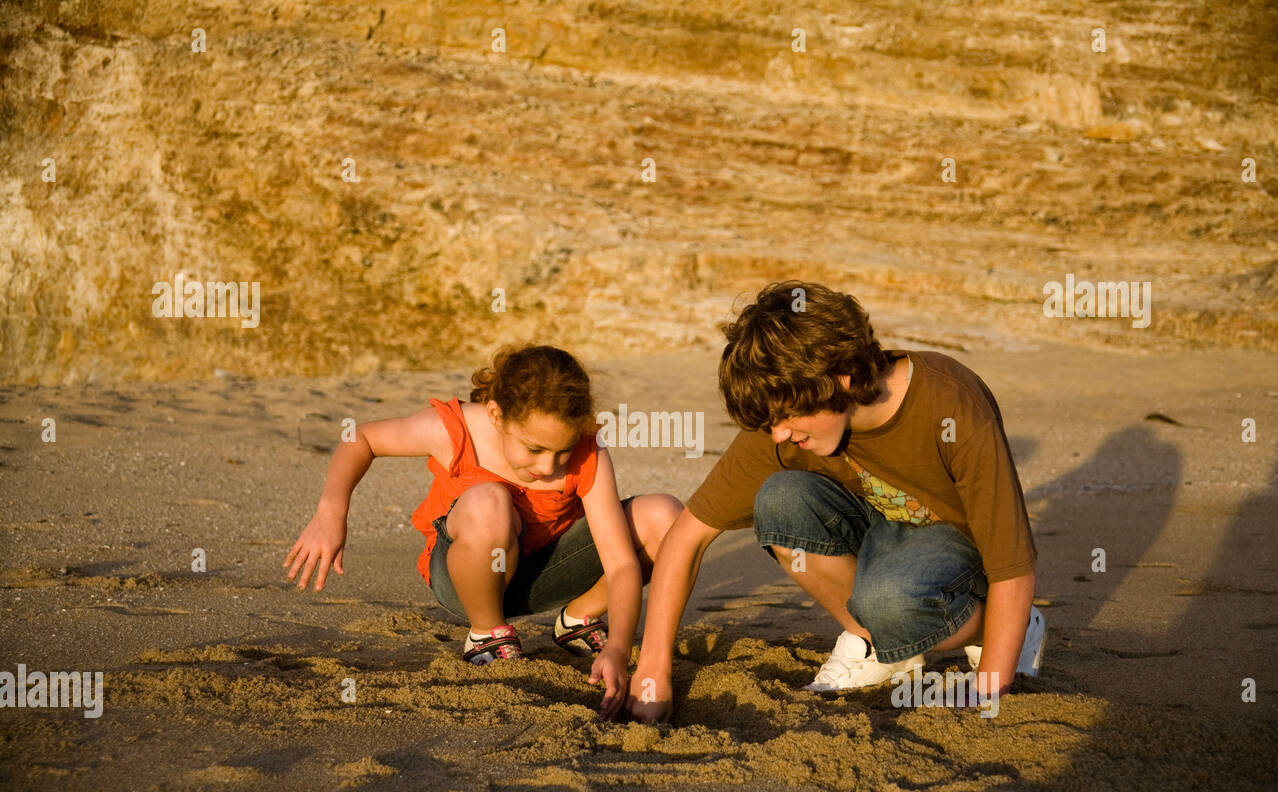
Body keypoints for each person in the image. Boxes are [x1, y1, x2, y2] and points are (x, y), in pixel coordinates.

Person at [625, 281, 1043, 724]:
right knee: (780, 499)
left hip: (961, 558)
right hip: (884, 548)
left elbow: (1012, 566)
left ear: (842, 378)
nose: (779, 435)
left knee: (890, 599)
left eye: (787, 418)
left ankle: (1008, 630)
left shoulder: (949, 401)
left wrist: (989, 688)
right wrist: (652, 672)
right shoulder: (787, 414)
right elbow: (685, 538)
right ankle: (878, 645)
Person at [285, 344, 682, 721]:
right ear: (496, 415)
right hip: (467, 575)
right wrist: (331, 512)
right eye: (534, 448)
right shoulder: (458, 429)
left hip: (543, 573)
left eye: (561, 452)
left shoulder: (586, 450)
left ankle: (578, 619)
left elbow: (621, 566)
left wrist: (617, 648)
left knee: (663, 515)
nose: (548, 466)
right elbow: (362, 437)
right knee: (490, 501)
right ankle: (487, 633)